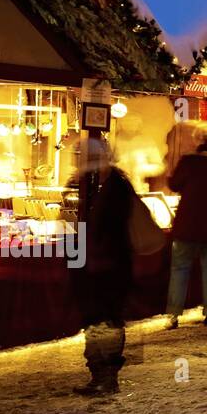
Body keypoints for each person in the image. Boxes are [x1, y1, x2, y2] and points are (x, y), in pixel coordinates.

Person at [70, 137, 135, 396]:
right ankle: (101, 375)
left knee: (105, 320)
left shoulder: (113, 187)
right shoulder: (104, 184)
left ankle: (106, 377)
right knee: (99, 321)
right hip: (106, 266)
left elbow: (109, 230)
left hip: (109, 267)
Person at [165, 130, 207, 328]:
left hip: (186, 227)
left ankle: (174, 315)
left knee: (179, 270)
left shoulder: (187, 161)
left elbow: (174, 184)